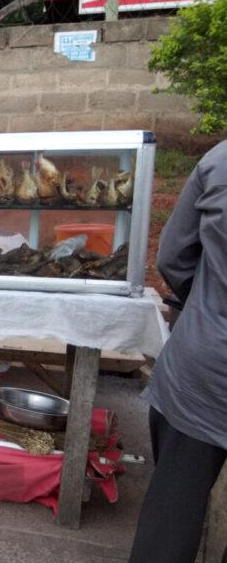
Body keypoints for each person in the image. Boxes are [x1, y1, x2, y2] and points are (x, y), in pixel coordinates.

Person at [128, 140, 227, 563]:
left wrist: (206, 305)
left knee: (174, 507)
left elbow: (173, 257)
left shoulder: (221, 159)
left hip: (207, 364)